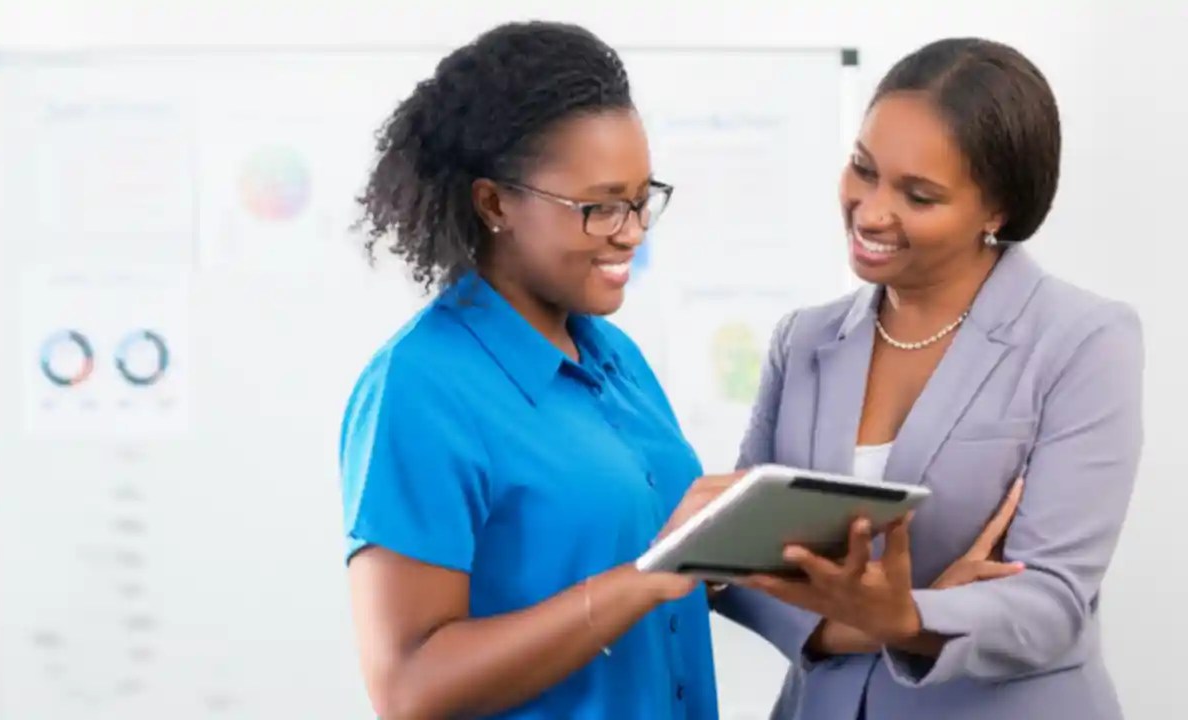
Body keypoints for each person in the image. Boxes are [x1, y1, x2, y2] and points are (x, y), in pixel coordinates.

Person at [715, 37, 1145, 719]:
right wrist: (889, 619)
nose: (872, 210)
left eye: (919, 195)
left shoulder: (1083, 340)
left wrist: (910, 617)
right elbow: (734, 562)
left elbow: (1054, 600)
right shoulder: (802, 341)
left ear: (997, 211)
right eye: (863, 168)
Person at [337, 21, 730, 719]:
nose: (632, 232)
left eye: (641, 200)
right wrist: (642, 581)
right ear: (495, 204)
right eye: (600, 206)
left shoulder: (618, 360)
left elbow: (655, 560)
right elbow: (409, 687)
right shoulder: (420, 388)